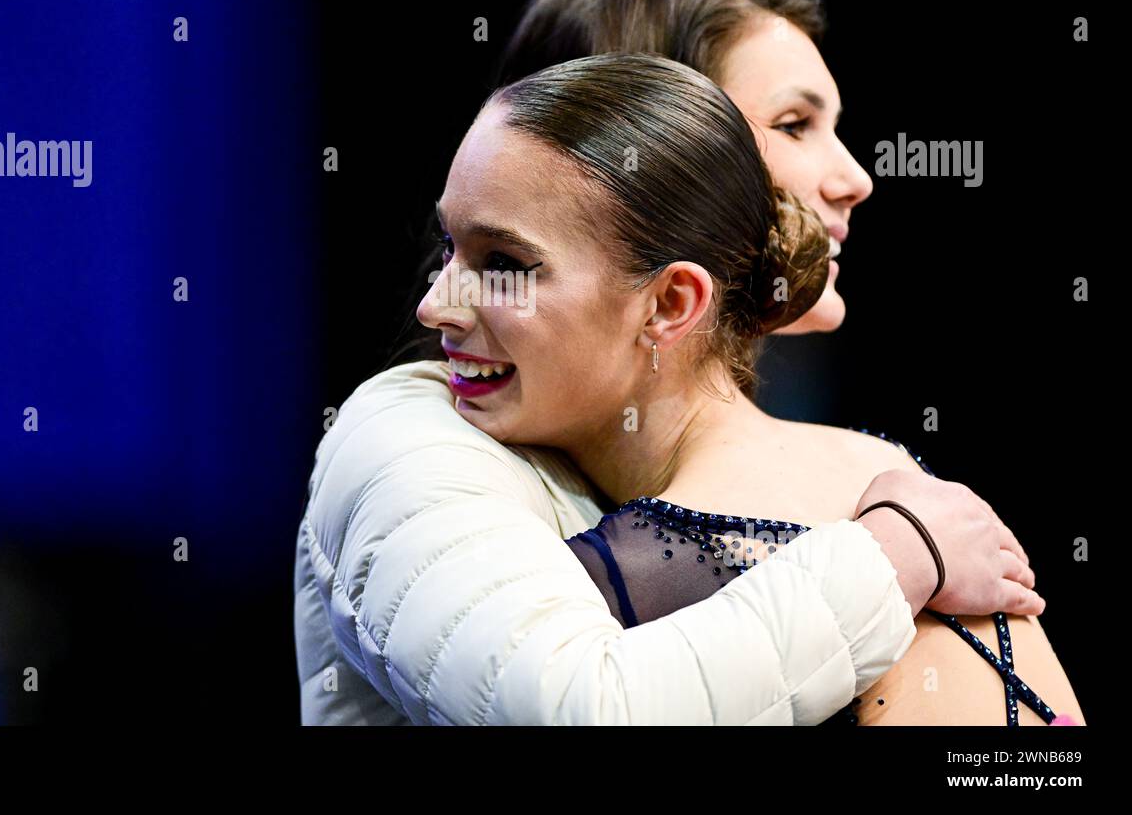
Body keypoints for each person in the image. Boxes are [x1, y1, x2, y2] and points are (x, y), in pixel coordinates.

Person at [294, 53, 1044, 725]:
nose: (433, 305)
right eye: (451, 245)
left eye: (504, 262)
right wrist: (898, 554)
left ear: (669, 305)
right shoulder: (412, 433)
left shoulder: (850, 501)